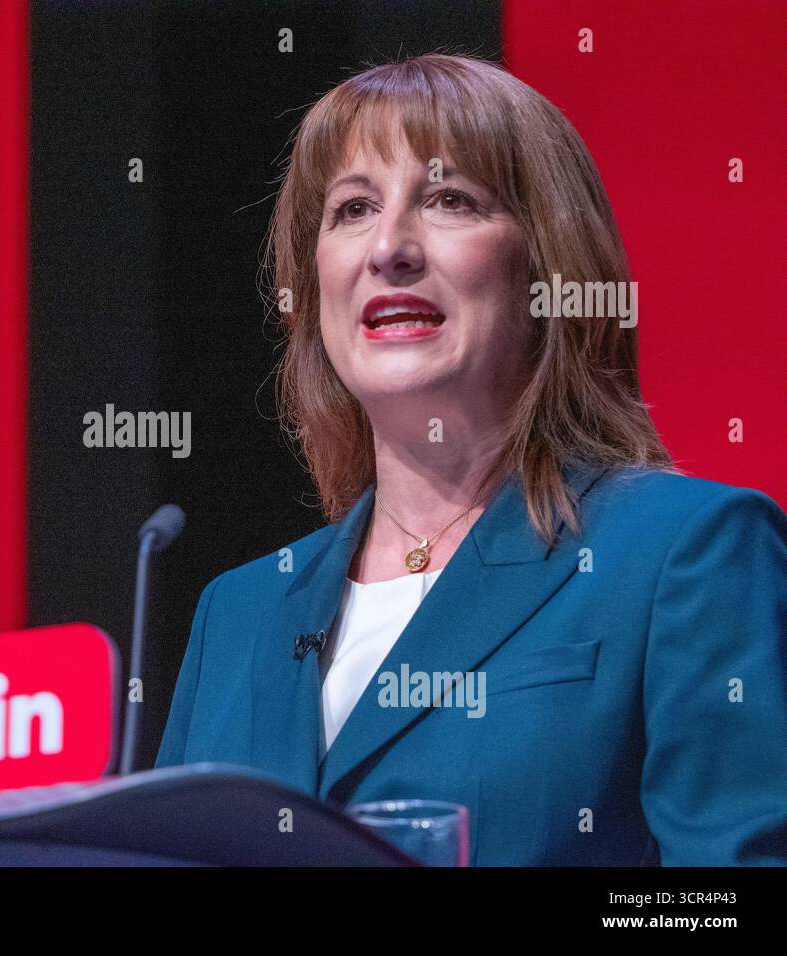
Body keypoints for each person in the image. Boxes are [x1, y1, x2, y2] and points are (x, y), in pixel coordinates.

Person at [154, 53, 787, 866]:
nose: (388, 247)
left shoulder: (687, 553)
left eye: (450, 199)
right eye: (351, 209)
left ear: (547, 266)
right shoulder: (235, 616)